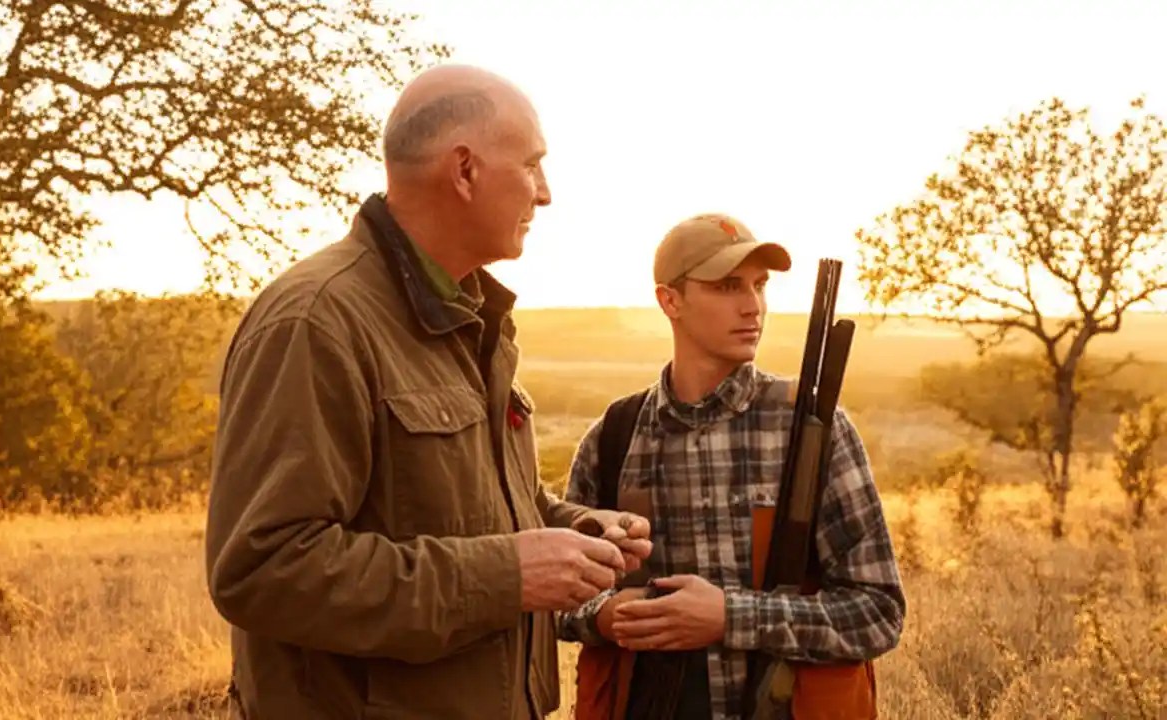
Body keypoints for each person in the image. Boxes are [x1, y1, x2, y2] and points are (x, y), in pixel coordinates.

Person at [204, 64, 652, 720]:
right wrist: (509, 576)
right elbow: (263, 569)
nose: (546, 194)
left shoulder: (472, 317)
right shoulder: (316, 321)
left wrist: (576, 531)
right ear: (464, 171)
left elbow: (473, 507)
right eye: (531, 165)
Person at [558, 213, 906, 719]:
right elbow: (559, 601)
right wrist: (606, 616)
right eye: (726, 286)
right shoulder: (613, 437)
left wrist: (729, 616)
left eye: (759, 286)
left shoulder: (813, 429)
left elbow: (878, 614)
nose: (752, 306)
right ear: (670, 300)